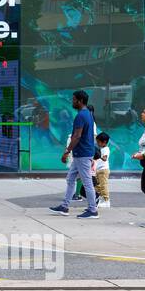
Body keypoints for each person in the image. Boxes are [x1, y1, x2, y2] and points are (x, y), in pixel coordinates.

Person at [50, 89, 99, 219]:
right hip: (82, 153)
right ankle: (64, 206)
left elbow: (77, 136)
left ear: (80, 101)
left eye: (73, 99)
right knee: (70, 179)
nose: (72, 101)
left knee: (87, 182)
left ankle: (93, 210)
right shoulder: (87, 114)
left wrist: (67, 151)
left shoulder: (81, 115)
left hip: (82, 154)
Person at [92, 131, 112, 209]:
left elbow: (105, 158)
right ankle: (101, 199)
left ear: (104, 142)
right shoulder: (101, 148)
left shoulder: (106, 149)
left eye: (98, 142)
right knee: (98, 186)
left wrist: (99, 156)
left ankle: (106, 201)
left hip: (103, 170)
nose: (97, 143)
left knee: (104, 185)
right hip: (99, 170)